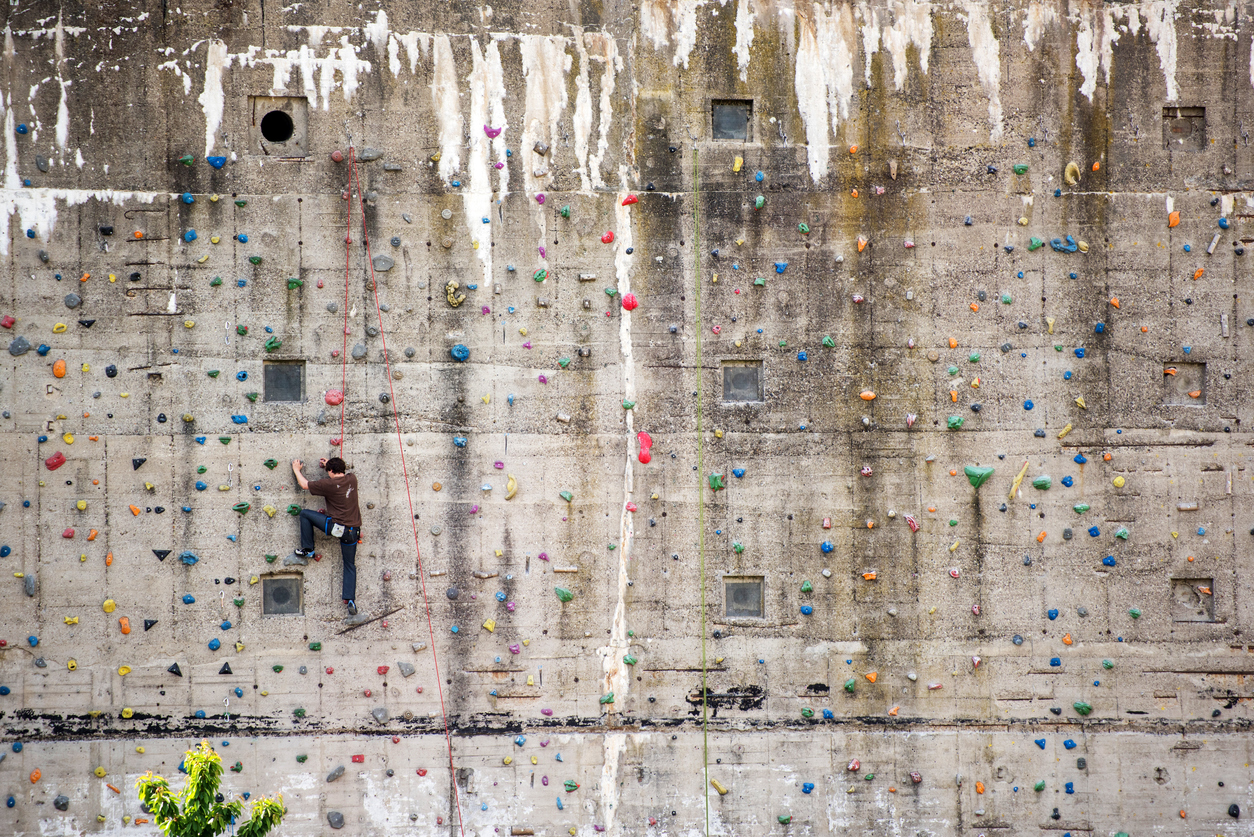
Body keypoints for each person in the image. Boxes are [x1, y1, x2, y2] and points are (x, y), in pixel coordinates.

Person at [291, 457, 362, 616]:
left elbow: (304, 484)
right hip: (353, 533)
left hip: (337, 528)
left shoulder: (327, 484)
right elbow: (339, 471)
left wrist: (296, 469)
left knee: (305, 514)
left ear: (330, 471)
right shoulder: (352, 479)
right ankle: (350, 600)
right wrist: (330, 464)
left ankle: (308, 549)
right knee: (349, 565)